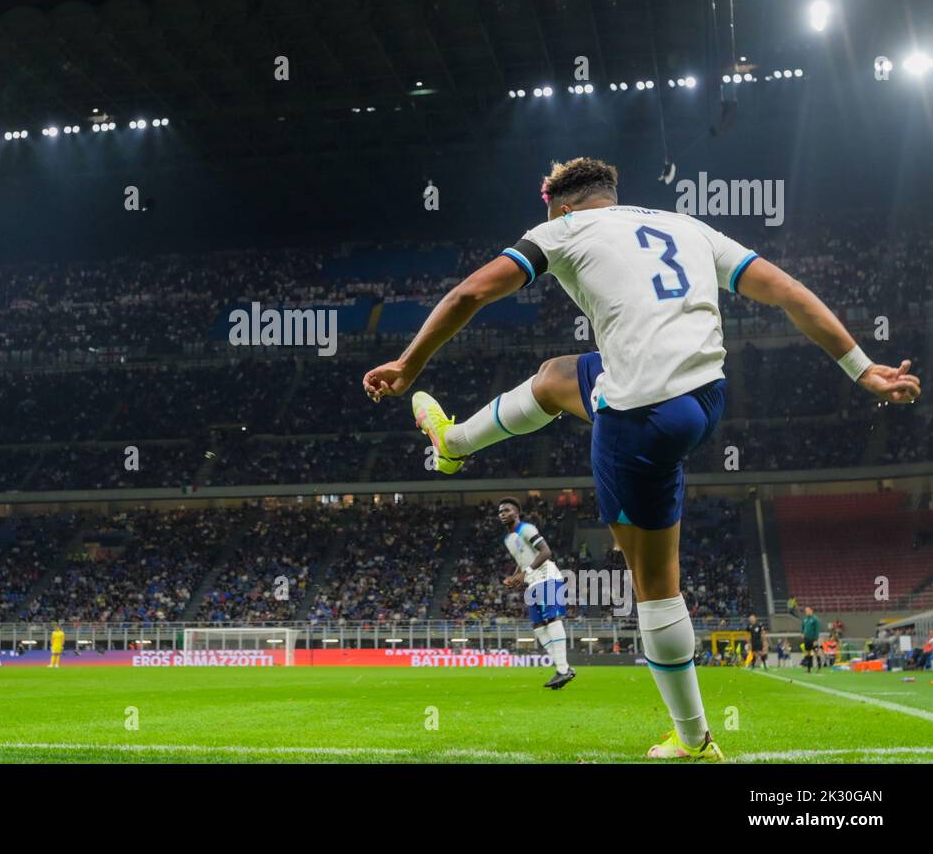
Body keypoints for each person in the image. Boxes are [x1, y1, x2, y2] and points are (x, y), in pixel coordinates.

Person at [362, 157, 920, 760]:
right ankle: (453, 445)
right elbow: (786, 291)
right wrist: (864, 369)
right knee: (554, 378)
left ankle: (694, 740)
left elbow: (473, 290)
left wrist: (409, 364)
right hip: (705, 399)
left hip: (640, 420)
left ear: (560, 204)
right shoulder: (689, 226)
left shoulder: (562, 231)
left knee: (655, 588)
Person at [497, 497, 575, 689]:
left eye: (507, 510)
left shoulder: (527, 529)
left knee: (553, 620)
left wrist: (525, 573)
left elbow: (545, 552)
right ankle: (564, 670)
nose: (503, 514)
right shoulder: (508, 539)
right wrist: (515, 577)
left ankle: (563, 671)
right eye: (500, 512)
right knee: (539, 627)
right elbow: (522, 560)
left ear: (517, 513)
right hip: (532, 583)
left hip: (547, 577)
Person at [800, 605, 821, 672]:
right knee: (808, 653)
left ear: (811, 611)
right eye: (806, 611)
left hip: (813, 639)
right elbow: (803, 627)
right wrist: (802, 633)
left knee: (816, 653)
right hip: (807, 639)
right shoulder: (805, 619)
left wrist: (815, 640)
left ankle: (819, 668)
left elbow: (817, 630)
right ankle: (809, 668)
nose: (807, 612)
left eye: (808, 610)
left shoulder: (815, 619)